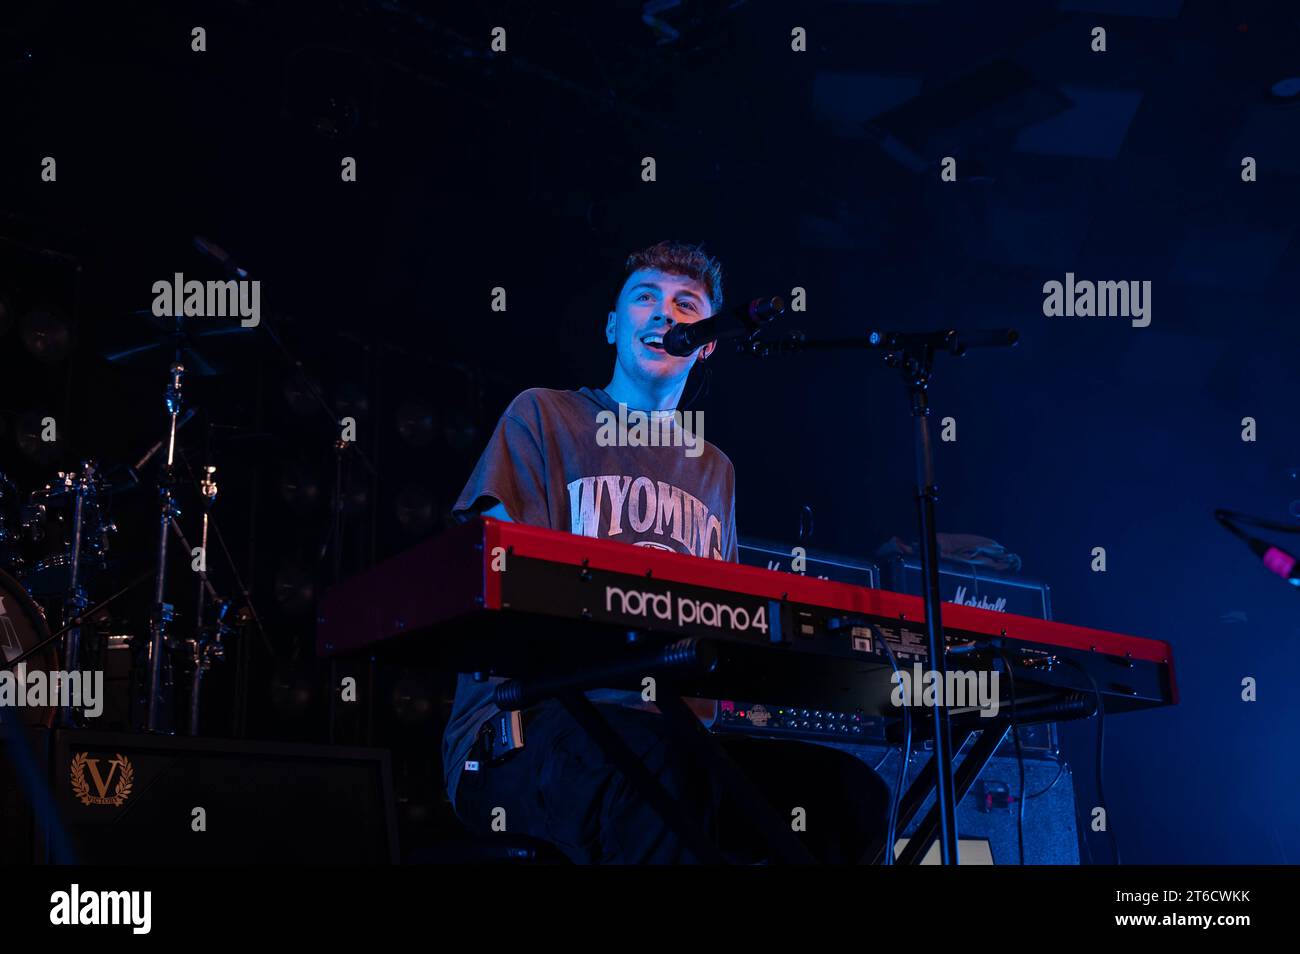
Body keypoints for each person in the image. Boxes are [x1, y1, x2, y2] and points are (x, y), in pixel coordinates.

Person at [442, 240, 889, 863]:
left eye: (686, 305)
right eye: (644, 298)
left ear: (706, 342)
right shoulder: (544, 416)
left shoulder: (716, 470)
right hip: (528, 733)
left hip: (674, 734)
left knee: (850, 795)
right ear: (612, 325)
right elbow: (499, 577)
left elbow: (725, 622)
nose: (663, 314)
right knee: (656, 771)